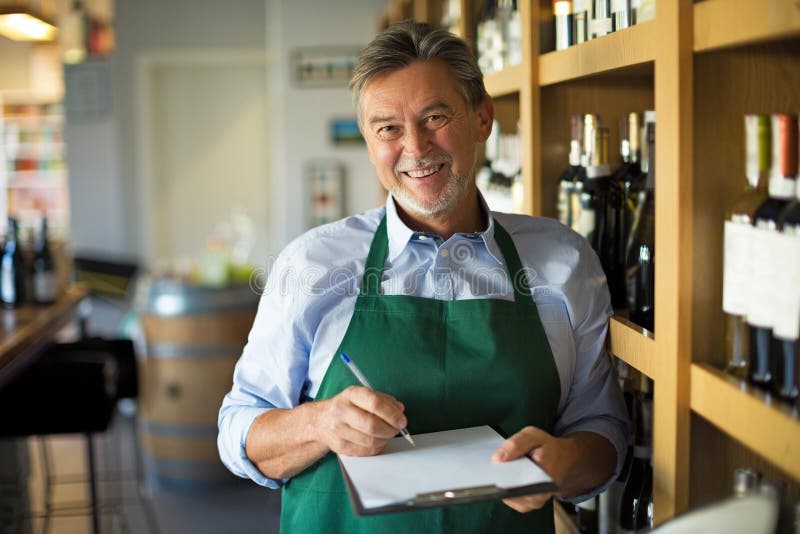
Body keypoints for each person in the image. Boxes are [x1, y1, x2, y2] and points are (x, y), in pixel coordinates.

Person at [218, 20, 628, 533]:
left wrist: (564, 465)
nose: (414, 146)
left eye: (435, 117)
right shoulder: (312, 265)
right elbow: (238, 429)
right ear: (369, 142)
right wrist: (319, 423)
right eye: (387, 127)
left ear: (482, 119)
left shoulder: (564, 263)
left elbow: (605, 433)